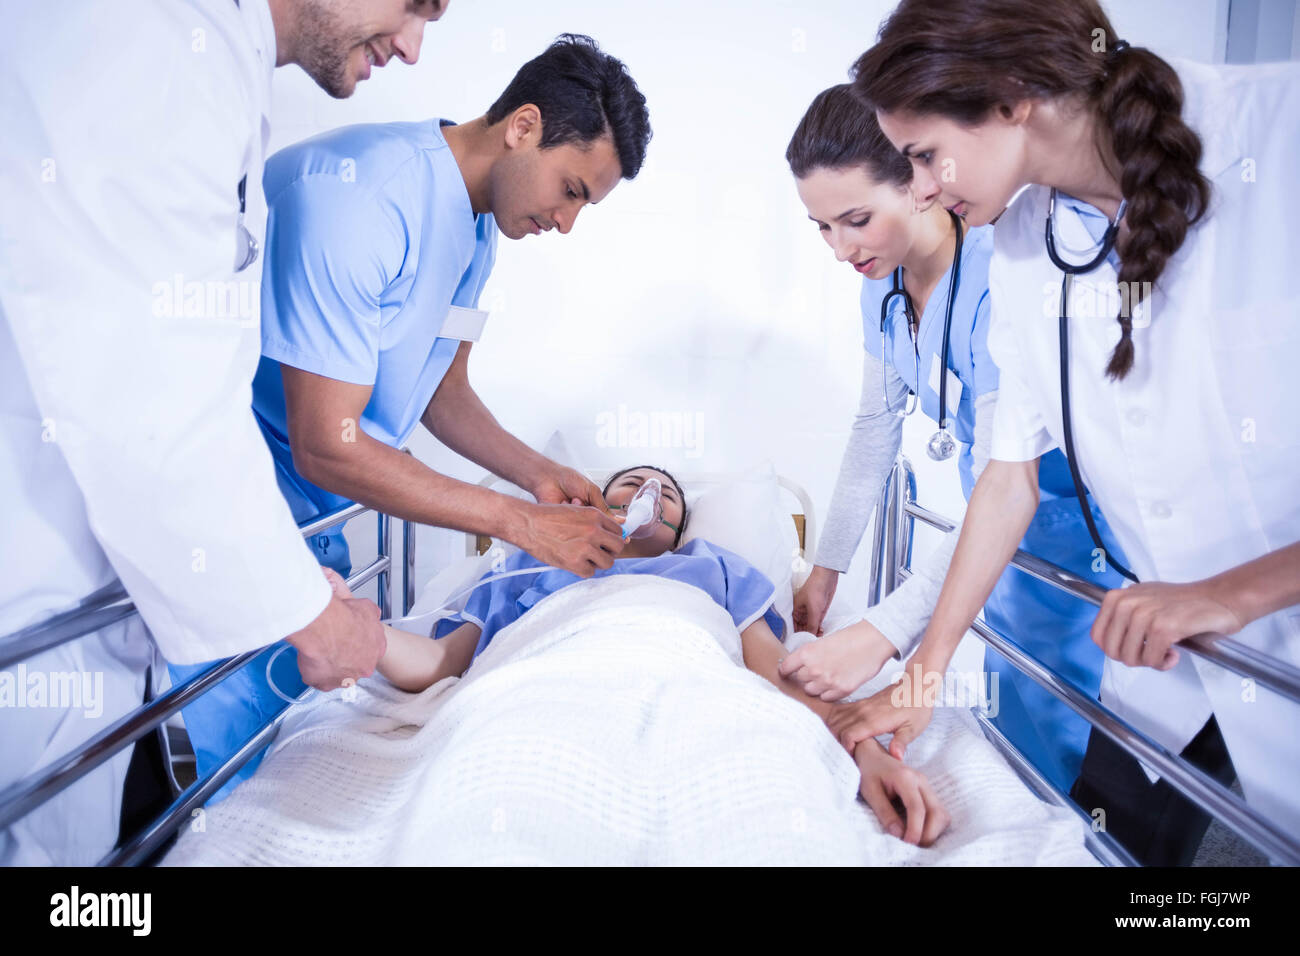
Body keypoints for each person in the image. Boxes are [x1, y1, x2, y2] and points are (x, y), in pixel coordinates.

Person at [841, 0, 1300, 865]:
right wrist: (926, 670)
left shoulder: (1279, 137)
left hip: (1255, 632)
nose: (925, 187)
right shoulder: (1022, 241)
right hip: (1164, 659)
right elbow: (1008, 475)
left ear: (1013, 96)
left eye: (926, 155)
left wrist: (1229, 593)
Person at [0, 0, 448, 865]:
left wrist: (286, 581)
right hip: (41, 618)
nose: (414, 45)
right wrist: (309, 612)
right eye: (414, 2)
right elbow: (155, 407)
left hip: (97, 624)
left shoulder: (215, 63)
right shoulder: (150, 41)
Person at [169, 34, 654, 798]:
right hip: (233, 501)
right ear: (523, 126)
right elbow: (327, 447)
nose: (567, 222)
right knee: (237, 768)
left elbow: (439, 388)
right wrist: (519, 523)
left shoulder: (477, 229)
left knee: (298, 731)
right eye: (572, 190)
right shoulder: (358, 197)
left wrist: (540, 475)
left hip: (309, 519)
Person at [777, 85, 1126, 795]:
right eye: (821, 227)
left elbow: (1010, 476)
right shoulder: (882, 285)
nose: (840, 249)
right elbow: (875, 428)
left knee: (1079, 738)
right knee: (1017, 727)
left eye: (855, 219)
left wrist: (885, 627)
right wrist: (828, 569)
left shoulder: (1004, 278)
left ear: (918, 182)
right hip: (995, 538)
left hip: (1069, 532)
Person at [359, 466, 949, 846]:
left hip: (699, 687)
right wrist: (367, 637)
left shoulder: (713, 566)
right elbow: (440, 664)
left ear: (680, 526)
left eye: (667, 494)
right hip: (541, 686)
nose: (650, 496)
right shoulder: (524, 562)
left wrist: (863, 750)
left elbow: (775, 676)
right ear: (597, 501)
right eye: (631, 485)